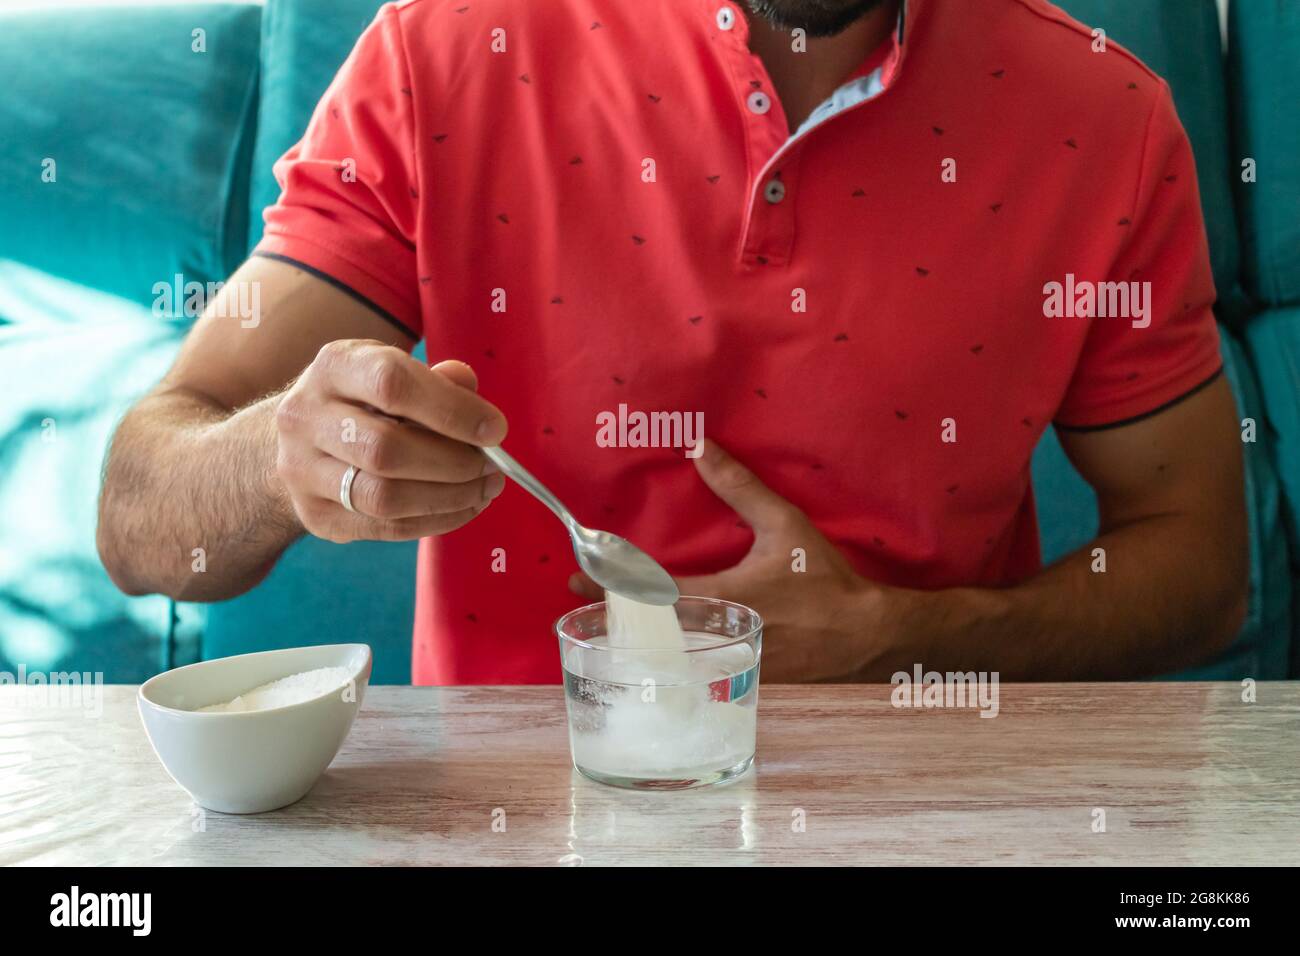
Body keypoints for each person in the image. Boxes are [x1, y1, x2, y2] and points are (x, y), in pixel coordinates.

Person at [97, 0, 1247, 683]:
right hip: (516, 815)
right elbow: (142, 517)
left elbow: (1202, 574)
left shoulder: (1104, 121)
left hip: (923, 800)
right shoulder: (441, 55)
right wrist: (284, 457)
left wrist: (904, 638)